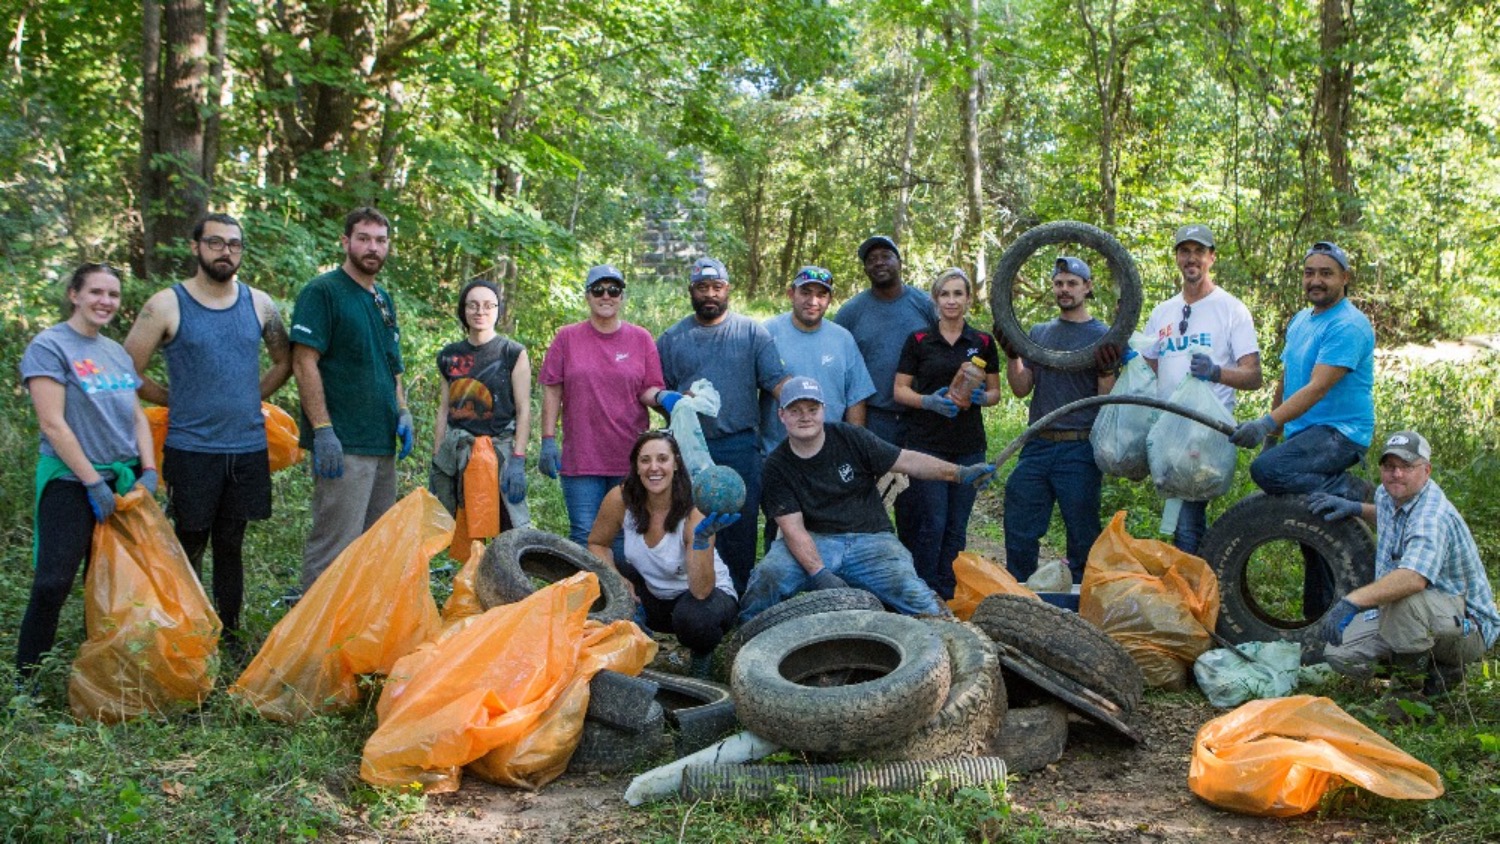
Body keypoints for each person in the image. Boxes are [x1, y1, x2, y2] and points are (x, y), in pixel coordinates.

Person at [122, 213, 292, 638]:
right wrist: (172, 399)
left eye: (234, 244)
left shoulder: (260, 304)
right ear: (196, 247)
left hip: (246, 447)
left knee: (231, 544)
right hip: (191, 447)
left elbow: (285, 359)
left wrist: (251, 396)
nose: (226, 252)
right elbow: (126, 369)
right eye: (216, 243)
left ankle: (230, 633)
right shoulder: (166, 304)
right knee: (190, 540)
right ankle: (188, 632)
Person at [737, 377, 996, 624]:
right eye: (795, 410)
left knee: (917, 598)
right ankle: (746, 642)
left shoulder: (851, 437)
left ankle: (946, 644)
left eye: (812, 409)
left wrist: (960, 473)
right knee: (768, 576)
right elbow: (792, 528)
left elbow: (908, 460)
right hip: (815, 540)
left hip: (871, 540)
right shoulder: (776, 465)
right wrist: (819, 573)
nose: (805, 416)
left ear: (823, 411)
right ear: (782, 415)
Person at [18, 264, 157, 679]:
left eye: (113, 295)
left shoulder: (114, 352)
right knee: (52, 583)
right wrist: (92, 481)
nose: (105, 302)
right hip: (71, 481)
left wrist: (149, 470)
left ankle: (105, 676)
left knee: (110, 585)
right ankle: (26, 682)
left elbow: (137, 418)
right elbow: (52, 424)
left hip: (123, 481)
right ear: (74, 294)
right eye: (96, 292)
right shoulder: (50, 347)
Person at [1230, 240, 1375, 617]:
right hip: (1307, 434)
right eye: (1310, 272)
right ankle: (1319, 619)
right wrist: (1274, 435)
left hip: (1340, 433)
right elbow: (1288, 379)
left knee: (1266, 471)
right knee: (1317, 535)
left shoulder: (1349, 325)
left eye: (1326, 273)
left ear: (1344, 277)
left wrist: (1265, 424)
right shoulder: (1301, 320)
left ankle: (1349, 490)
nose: (1316, 280)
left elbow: (1318, 386)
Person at [1312, 431, 1499, 696]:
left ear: (1426, 470)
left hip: (1467, 626)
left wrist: (1352, 601)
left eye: (1407, 466)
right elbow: (1392, 517)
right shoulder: (1387, 496)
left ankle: (1406, 698)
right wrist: (1355, 509)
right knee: (1340, 652)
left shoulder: (1431, 516)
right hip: (1425, 615)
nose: (1396, 474)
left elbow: (1413, 579)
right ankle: (1433, 670)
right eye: (1390, 466)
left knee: (1404, 601)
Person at [290, 207, 412, 591]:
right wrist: (323, 430)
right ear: (346, 242)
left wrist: (404, 410)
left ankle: (355, 636)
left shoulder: (382, 299)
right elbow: (304, 361)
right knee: (334, 547)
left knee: (375, 546)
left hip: (381, 442)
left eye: (380, 240)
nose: (372, 247)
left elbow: (393, 366)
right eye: (364, 238)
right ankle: (311, 639)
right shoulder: (323, 292)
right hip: (344, 443)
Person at [656, 257, 787, 592]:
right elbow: (656, 391)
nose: (709, 294)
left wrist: (808, 408)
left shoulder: (750, 333)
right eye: (702, 288)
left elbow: (776, 382)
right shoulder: (673, 339)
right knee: (690, 521)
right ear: (691, 291)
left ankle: (739, 597)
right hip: (689, 447)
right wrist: (673, 398)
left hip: (740, 444)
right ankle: (697, 594)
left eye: (716, 287)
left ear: (727, 290)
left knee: (739, 525)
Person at [1140, 225, 1262, 554]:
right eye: (1184, 251)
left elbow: (1253, 375)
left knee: (1188, 519)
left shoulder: (1230, 309)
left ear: (1211, 258)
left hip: (1207, 433)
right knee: (1180, 516)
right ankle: (1194, 584)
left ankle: (1195, 595)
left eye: (1199, 251)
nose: (1191, 258)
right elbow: (1148, 367)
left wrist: (1217, 371)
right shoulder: (1162, 311)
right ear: (1177, 258)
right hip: (1169, 432)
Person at [999, 257, 1117, 584]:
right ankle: (1020, 593)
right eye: (1059, 283)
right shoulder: (1040, 332)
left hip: (1078, 447)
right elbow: (1022, 388)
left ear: (1087, 287)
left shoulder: (1103, 334)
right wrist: (1012, 355)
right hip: (1037, 443)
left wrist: (1107, 368)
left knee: (1082, 529)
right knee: (1020, 519)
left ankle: (1080, 598)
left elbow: (1106, 400)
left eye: (1072, 283)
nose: (1064, 290)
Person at [587, 431, 740, 677]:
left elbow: (701, 590)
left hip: (706, 598)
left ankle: (702, 659)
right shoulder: (620, 498)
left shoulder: (695, 508)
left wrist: (701, 541)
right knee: (595, 581)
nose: (654, 467)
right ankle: (639, 636)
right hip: (657, 597)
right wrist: (616, 579)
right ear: (636, 467)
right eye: (645, 460)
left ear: (676, 464)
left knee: (693, 619)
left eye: (662, 459)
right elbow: (597, 544)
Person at [538, 265, 665, 556]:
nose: (606, 296)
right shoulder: (566, 338)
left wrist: (671, 399)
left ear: (622, 297)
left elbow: (649, 389)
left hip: (629, 458)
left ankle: (625, 599)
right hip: (581, 457)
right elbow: (552, 388)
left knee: (625, 537)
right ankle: (591, 601)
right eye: (598, 290)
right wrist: (547, 439)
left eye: (613, 290)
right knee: (584, 535)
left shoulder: (641, 338)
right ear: (587, 296)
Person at [892, 268, 1000, 598]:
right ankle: (924, 590)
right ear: (935, 299)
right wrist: (928, 402)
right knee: (933, 523)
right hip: (927, 445)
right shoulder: (919, 340)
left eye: (958, 294)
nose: (951, 300)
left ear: (968, 299)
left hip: (968, 445)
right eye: (945, 294)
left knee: (956, 526)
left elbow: (995, 392)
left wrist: (983, 397)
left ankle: (950, 591)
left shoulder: (982, 341)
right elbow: (899, 390)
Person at [759, 265, 876, 545]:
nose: (813, 301)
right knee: (782, 533)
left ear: (829, 300)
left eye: (821, 295)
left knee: (829, 529)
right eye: (806, 292)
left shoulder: (842, 339)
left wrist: (854, 448)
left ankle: (829, 587)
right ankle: (781, 588)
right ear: (791, 294)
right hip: (779, 455)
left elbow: (856, 397)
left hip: (829, 454)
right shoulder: (766, 334)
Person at [429, 279, 533, 535]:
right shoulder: (449, 356)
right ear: (463, 310)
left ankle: (502, 575)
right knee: (465, 528)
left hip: (499, 452)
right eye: (473, 305)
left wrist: (518, 459)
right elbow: (444, 409)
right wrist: (437, 457)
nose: (480, 311)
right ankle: (468, 575)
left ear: (498, 310)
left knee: (507, 528)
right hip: (460, 450)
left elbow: (524, 408)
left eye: (488, 305)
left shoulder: (512, 352)